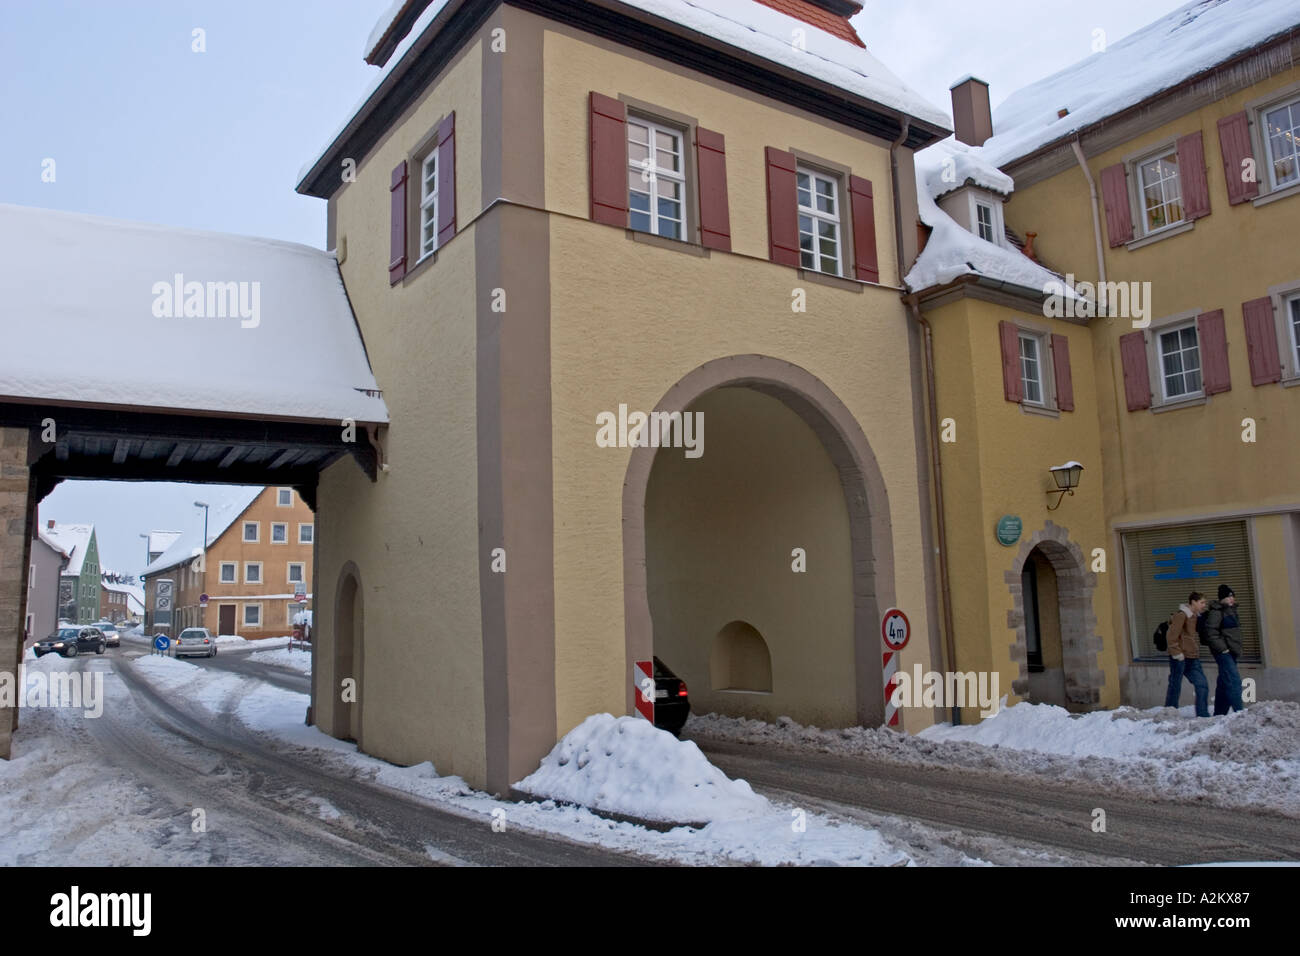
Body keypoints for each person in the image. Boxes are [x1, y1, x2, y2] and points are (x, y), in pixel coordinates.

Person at [1164, 591, 1209, 717]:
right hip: (1180, 657)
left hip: (1192, 657)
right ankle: (1169, 713)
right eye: (1202, 602)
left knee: (1202, 684)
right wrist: (1177, 653)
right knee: (1175, 685)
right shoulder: (1182, 615)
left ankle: (1202, 714)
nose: (1204, 605)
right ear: (1193, 602)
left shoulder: (1195, 617)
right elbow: (1171, 635)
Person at [1204, 585, 1244, 714]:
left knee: (1223, 683)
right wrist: (1223, 649)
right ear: (1222, 598)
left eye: (1232, 596)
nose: (1231, 599)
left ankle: (1219, 714)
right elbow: (1211, 633)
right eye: (1228, 596)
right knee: (1234, 681)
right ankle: (1240, 713)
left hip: (1231, 652)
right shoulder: (1216, 612)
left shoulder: (1231, 611)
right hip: (1223, 653)